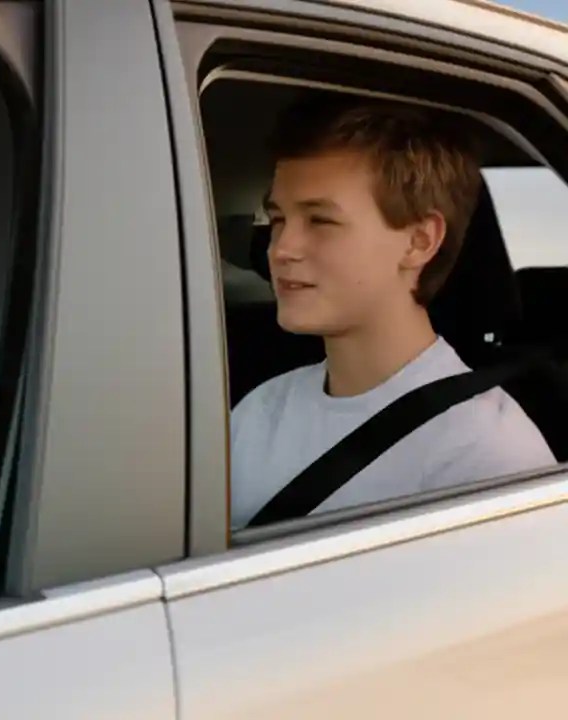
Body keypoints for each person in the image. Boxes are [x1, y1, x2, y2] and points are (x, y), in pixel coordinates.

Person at [229, 94, 555, 530]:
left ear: (419, 241)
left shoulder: (485, 456)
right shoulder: (258, 411)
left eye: (321, 221)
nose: (280, 248)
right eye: (278, 220)